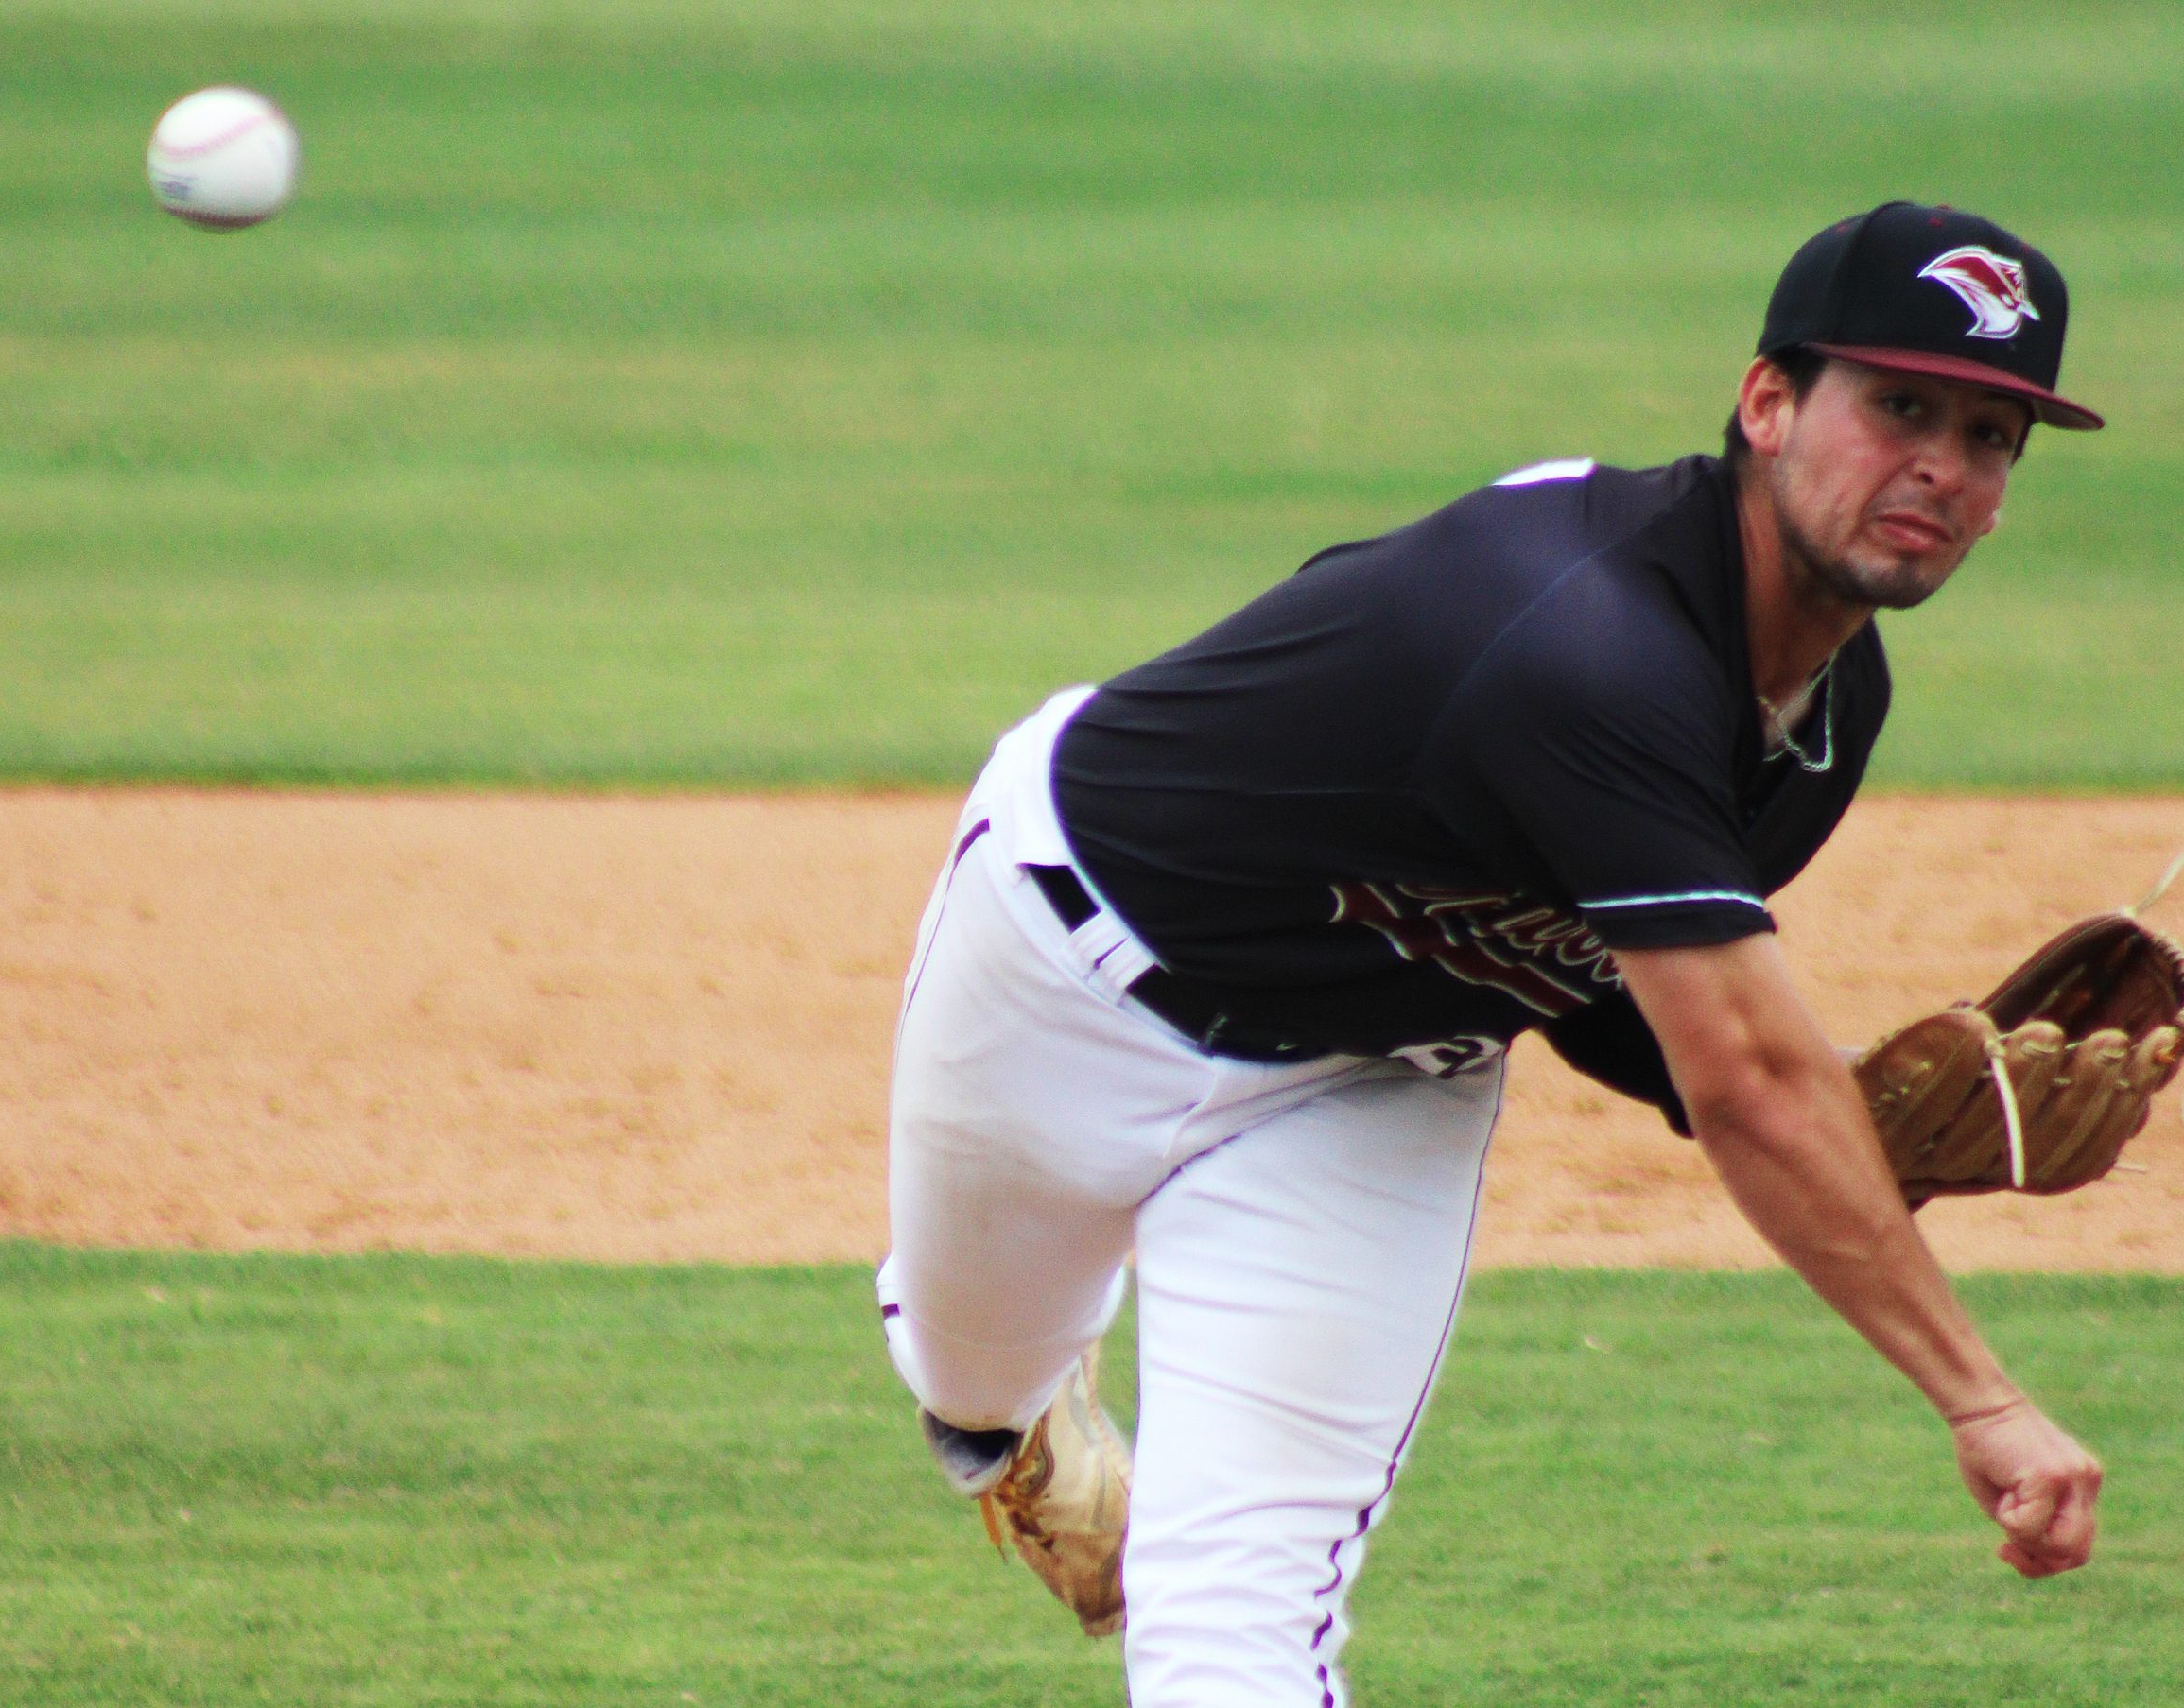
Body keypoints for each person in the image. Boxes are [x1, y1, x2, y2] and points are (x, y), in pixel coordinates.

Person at [876, 201, 2107, 1705]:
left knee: (1233, 1618)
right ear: (1769, 402)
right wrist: (1981, 1398)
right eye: (1899, 405)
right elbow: (1746, 1084)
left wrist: (1853, 1127)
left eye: (1991, 436)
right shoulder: (1591, 641)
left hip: (1375, 1082)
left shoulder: (1833, 714)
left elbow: (1594, 984)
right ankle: (1006, 1429)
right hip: (1067, 973)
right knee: (972, 1371)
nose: (1939, 463)